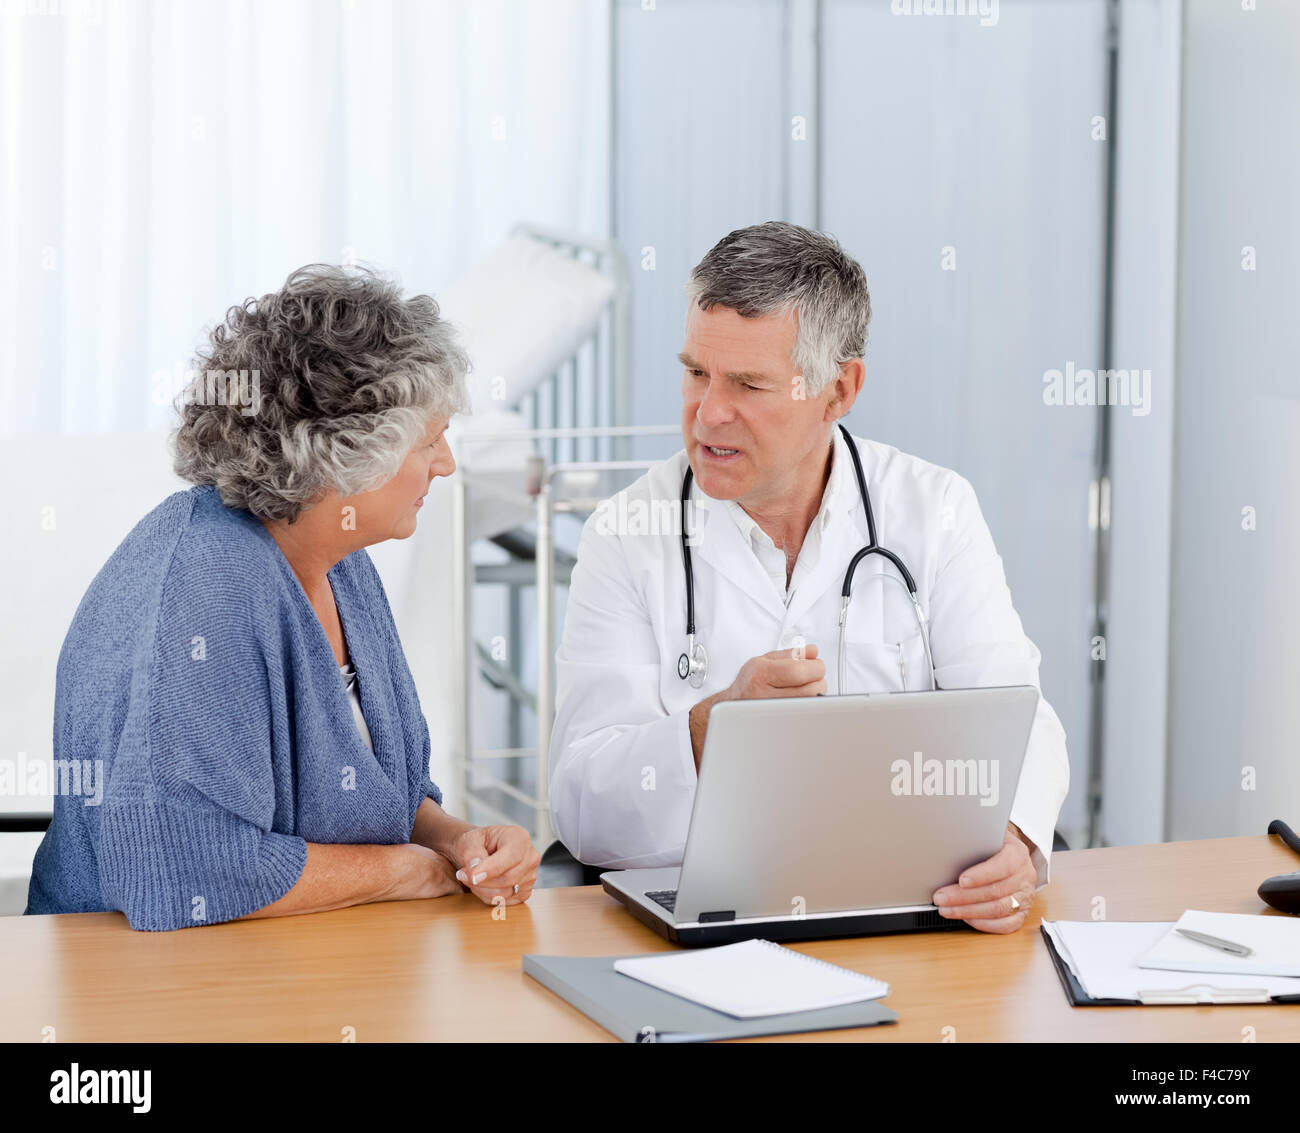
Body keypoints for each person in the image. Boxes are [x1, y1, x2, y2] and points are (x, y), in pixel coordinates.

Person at [549, 222, 1068, 933]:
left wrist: (1016, 839)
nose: (707, 413)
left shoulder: (934, 511)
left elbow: (1021, 715)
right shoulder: (625, 535)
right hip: (706, 928)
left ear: (839, 389)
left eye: (748, 384)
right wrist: (712, 728)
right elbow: (581, 807)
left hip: (909, 913)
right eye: (696, 372)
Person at [26, 264, 539, 931]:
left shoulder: (338, 561)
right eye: (430, 439)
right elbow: (183, 873)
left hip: (314, 956)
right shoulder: (204, 590)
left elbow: (377, 792)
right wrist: (402, 870)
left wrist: (458, 841)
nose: (444, 463)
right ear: (347, 456)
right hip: (150, 988)